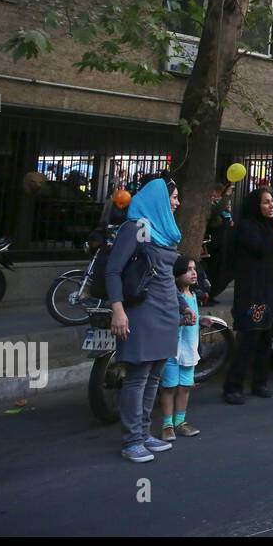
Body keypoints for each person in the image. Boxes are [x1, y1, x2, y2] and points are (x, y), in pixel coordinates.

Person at [106, 176, 184, 463]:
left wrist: (182, 306)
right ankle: (131, 441)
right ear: (158, 200)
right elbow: (113, 270)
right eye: (173, 197)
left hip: (166, 311)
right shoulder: (138, 227)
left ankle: (144, 433)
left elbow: (166, 277)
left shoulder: (165, 230)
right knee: (138, 378)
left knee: (153, 377)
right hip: (143, 312)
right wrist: (118, 310)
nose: (177, 203)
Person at [223, 188, 273, 404]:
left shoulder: (269, 226)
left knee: (265, 339)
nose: (271, 206)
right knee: (250, 339)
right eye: (265, 202)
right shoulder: (247, 227)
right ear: (256, 205)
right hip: (254, 295)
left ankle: (260, 382)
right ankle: (233, 386)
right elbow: (262, 248)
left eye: (272, 201)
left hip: (270, 292)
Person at [159, 255, 202, 442]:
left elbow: (194, 319)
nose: (193, 273)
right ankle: (167, 425)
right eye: (188, 269)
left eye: (194, 269)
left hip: (189, 350)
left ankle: (180, 422)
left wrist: (203, 320)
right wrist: (183, 320)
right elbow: (166, 321)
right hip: (172, 349)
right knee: (169, 387)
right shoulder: (171, 297)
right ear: (176, 274)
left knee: (185, 387)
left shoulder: (193, 296)